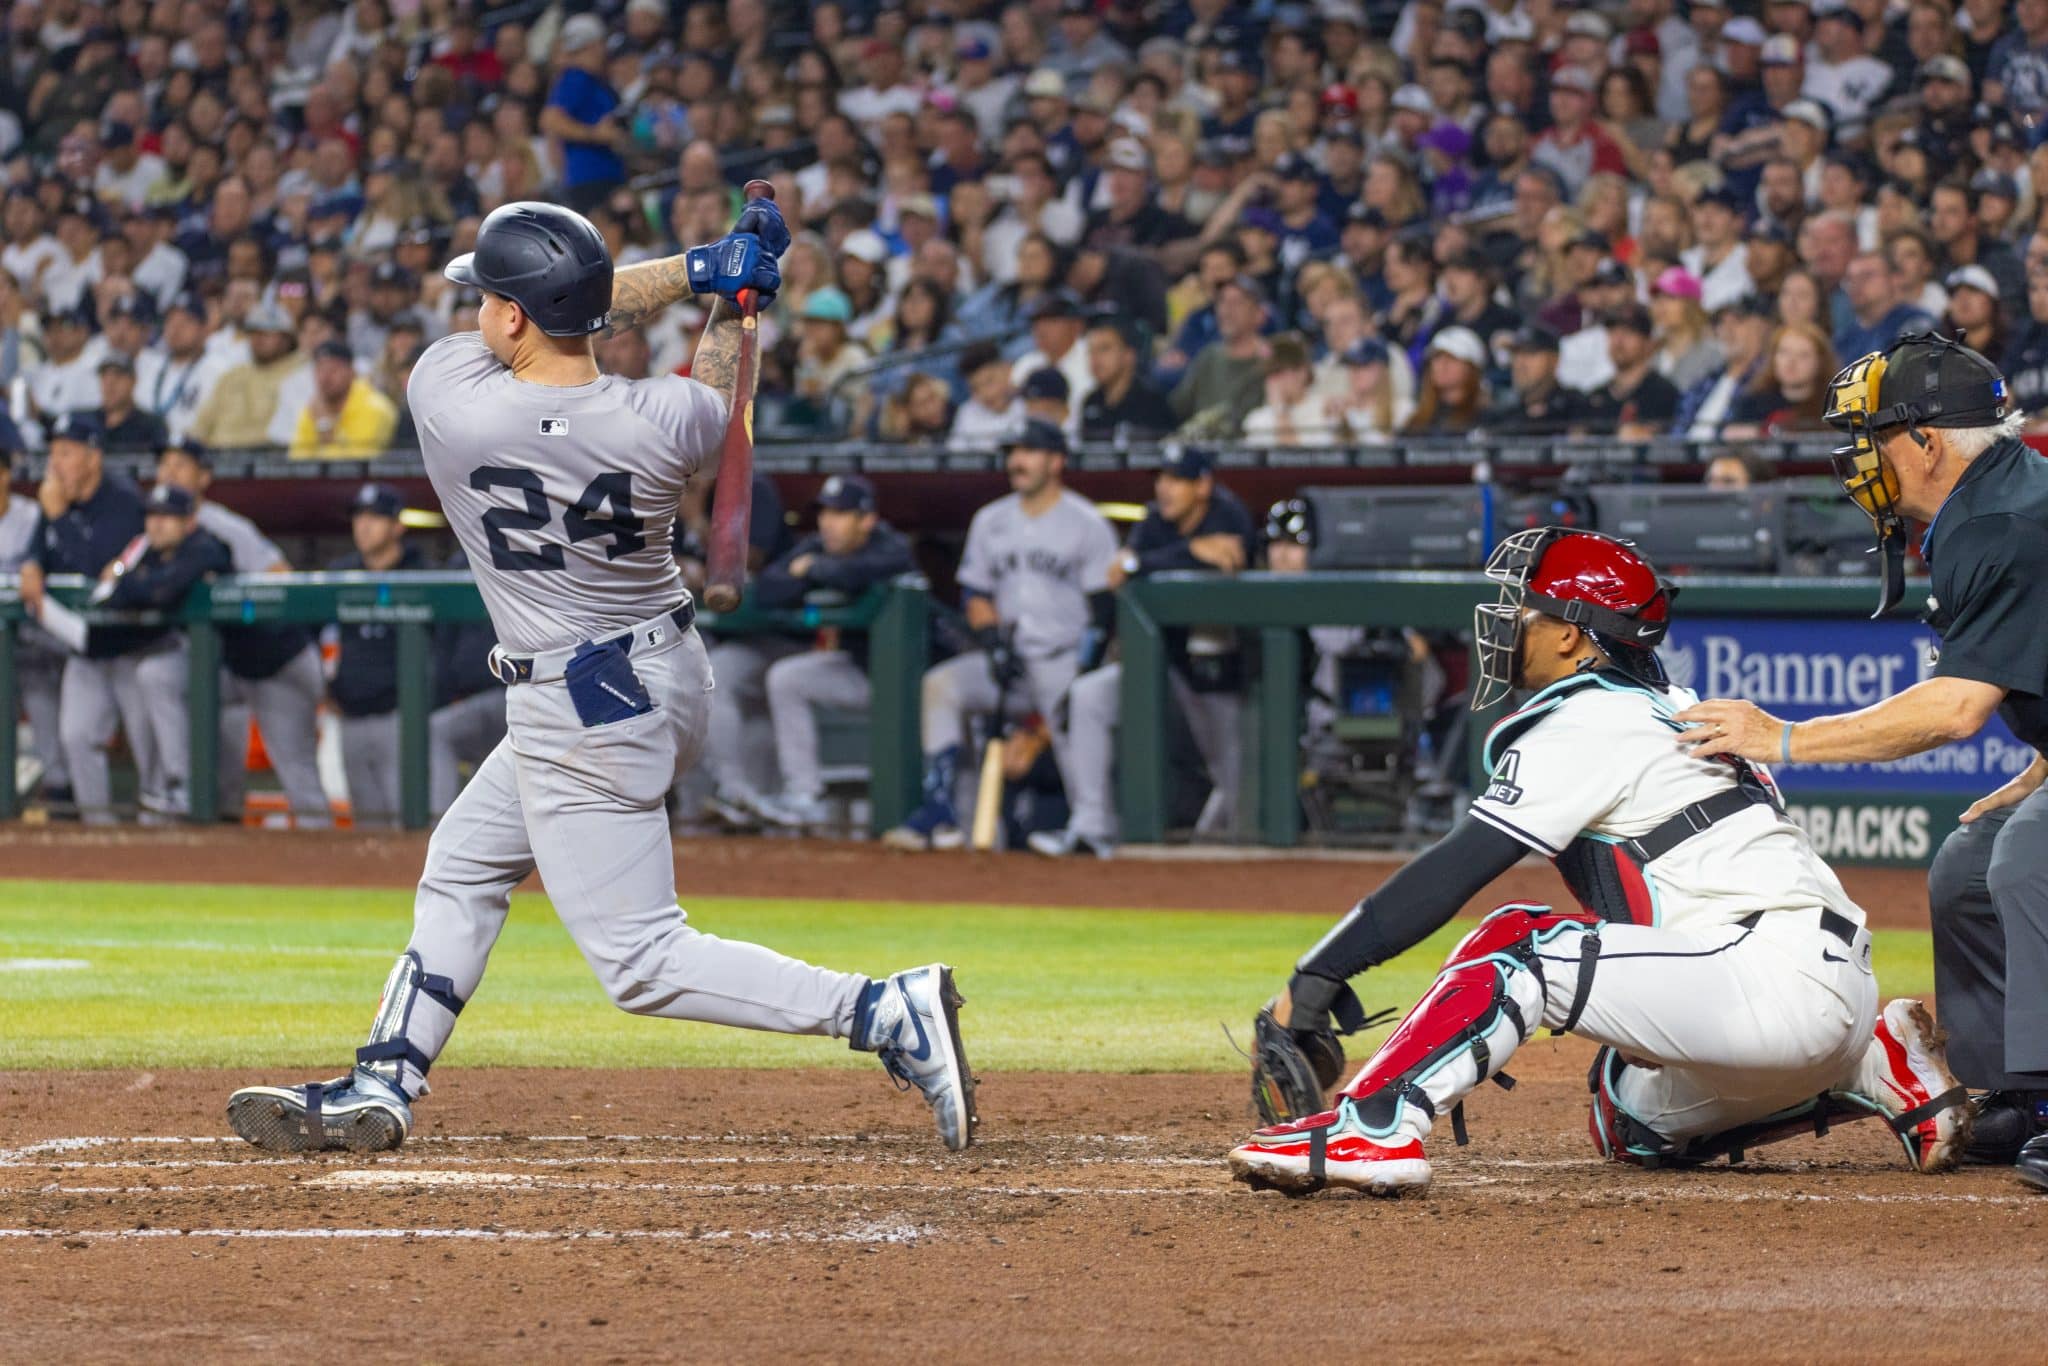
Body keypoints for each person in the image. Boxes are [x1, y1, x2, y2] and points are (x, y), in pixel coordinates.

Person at [228, 200, 976, 1157]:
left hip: (577, 706)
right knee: (463, 867)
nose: (484, 312)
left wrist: (698, 269)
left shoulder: (448, 395)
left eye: (492, 298)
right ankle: (387, 1076)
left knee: (641, 961)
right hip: (664, 673)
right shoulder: (662, 419)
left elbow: (570, 307)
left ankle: (883, 1011)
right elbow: (703, 382)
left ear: (508, 316)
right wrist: (726, 296)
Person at [1226, 527, 1970, 1196]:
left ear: (1576, 638)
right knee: (1626, 1116)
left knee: (1517, 944)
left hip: (1768, 975)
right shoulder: (1663, 704)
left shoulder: (1589, 717)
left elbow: (1457, 870)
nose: (1509, 620)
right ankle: (1875, 1065)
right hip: (1813, 992)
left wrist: (1319, 974)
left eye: (1529, 607)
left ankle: (1377, 1123)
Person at [1676, 334, 2048, 1191]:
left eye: (1870, 436)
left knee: (2032, 858)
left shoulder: (2001, 519)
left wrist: (1784, 737)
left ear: (1926, 442)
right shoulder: (1991, 499)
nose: (1856, 459)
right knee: (1971, 862)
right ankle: (2029, 1091)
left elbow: (1955, 709)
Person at [885, 418, 1116, 851]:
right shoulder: (990, 520)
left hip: (1064, 657)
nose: (1018, 461)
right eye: (1013, 452)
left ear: (1056, 461)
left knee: (1076, 718)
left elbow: (1105, 611)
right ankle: (942, 811)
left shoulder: (1086, 522)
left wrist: (1083, 670)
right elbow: (977, 593)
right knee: (942, 686)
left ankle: (1092, 826)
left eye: (1029, 452)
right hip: (1005, 659)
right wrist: (991, 643)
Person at [1028, 445, 1259, 857]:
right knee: (1089, 697)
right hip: (1164, 668)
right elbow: (1120, 573)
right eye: (1161, 478)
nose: (1164, 489)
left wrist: (1146, 561)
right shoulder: (1155, 522)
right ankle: (1091, 826)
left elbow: (1230, 559)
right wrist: (1187, 553)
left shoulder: (1229, 515)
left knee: (1236, 786)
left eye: (1177, 480)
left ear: (1203, 485)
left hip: (1224, 676)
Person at [153, 437, 329, 827]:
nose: (169, 472)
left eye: (180, 465)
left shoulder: (226, 527)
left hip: (277, 663)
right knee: (161, 676)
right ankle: (182, 792)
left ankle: (336, 868)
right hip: (229, 666)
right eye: (165, 464)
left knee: (299, 781)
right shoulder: (155, 529)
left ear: (204, 477)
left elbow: (284, 580)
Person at [750, 475, 917, 830]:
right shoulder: (817, 545)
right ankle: (805, 795)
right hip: (862, 672)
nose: (828, 523)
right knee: (787, 678)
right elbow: (767, 588)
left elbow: (867, 569)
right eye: (825, 513)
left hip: (916, 679)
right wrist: (812, 569)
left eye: (840, 514)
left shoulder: (891, 546)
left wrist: (813, 569)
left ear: (866, 520)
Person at [14, 414, 150, 826]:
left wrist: (58, 517)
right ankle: (98, 830)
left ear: (94, 458)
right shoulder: (58, 498)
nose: (55, 463)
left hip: (134, 647)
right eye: (53, 452)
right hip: (87, 651)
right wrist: (32, 565)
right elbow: (40, 551)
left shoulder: (122, 501)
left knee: (151, 750)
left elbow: (98, 576)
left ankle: (166, 837)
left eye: (66, 453)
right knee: (76, 737)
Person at [92, 482, 234, 819]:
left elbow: (160, 592)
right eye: (152, 516)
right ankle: (175, 786)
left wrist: (124, 578)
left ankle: (185, 788)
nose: (156, 523)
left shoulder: (205, 547)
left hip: (245, 665)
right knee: (152, 675)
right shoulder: (149, 553)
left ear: (189, 521)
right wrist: (130, 580)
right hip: (202, 665)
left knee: (241, 781)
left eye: (168, 517)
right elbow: (109, 598)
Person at [324, 483, 428, 828]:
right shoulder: (340, 573)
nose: (363, 525)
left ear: (397, 526)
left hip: (401, 718)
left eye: (375, 518)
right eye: (359, 517)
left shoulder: (423, 573)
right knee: (367, 828)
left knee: (411, 821)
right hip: (350, 714)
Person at [1576, 306, 1683, 438]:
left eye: (1629, 332)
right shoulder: (1595, 396)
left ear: (1648, 343)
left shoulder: (1664, 393)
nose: (1618, 341)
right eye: (1612, 332)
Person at [289, 340, 400, 459]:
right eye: (319, 369)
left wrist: (325, 428)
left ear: (352, 371)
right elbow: (297, 461)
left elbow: (356, 467)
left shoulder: (374, 407)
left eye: (333, 370)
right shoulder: (315, 407)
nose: (325, 377)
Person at [1078, 315, 1175, 443]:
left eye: (1104, 349)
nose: (1095, 359)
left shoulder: (1153, 404)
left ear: (1129, 355)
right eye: (1091, 351)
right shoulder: (1091, 401)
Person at [1482, 325, 1586, 436]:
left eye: (1530, 353)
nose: (1520, 363)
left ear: (1554, 359)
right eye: (1516, 353)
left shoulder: (1578, 408)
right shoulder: (1503, 415)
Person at [94, 353, 169, 453]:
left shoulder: (151, 425)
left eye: (118, 376)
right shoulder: (85, 421)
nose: (110, 384)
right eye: (104, 377)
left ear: (133, 381)